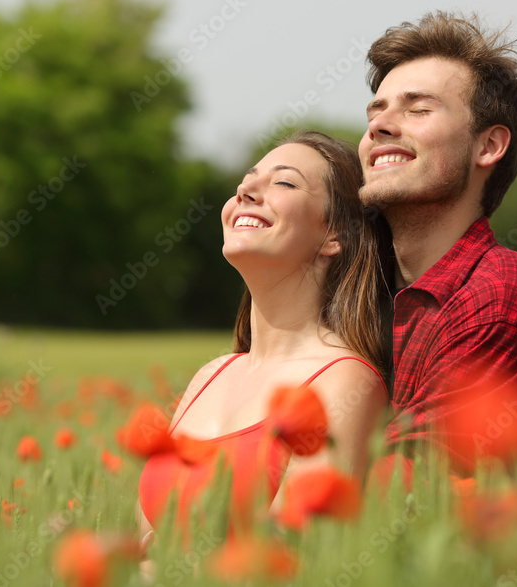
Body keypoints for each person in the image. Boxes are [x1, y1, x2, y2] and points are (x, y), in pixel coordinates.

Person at [137, 130, 390, 537]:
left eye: (284, 182)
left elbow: (293, 554)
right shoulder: (210, 376)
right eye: (248, 178)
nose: (245, 189)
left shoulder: (345, 382)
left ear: (333, 236)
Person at [357, 11, 517, 465]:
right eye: (375, 112)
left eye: (417, 109)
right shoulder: (362, 285)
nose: (379, 126)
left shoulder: (498, 299)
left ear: (488, 146)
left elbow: (409, 492)